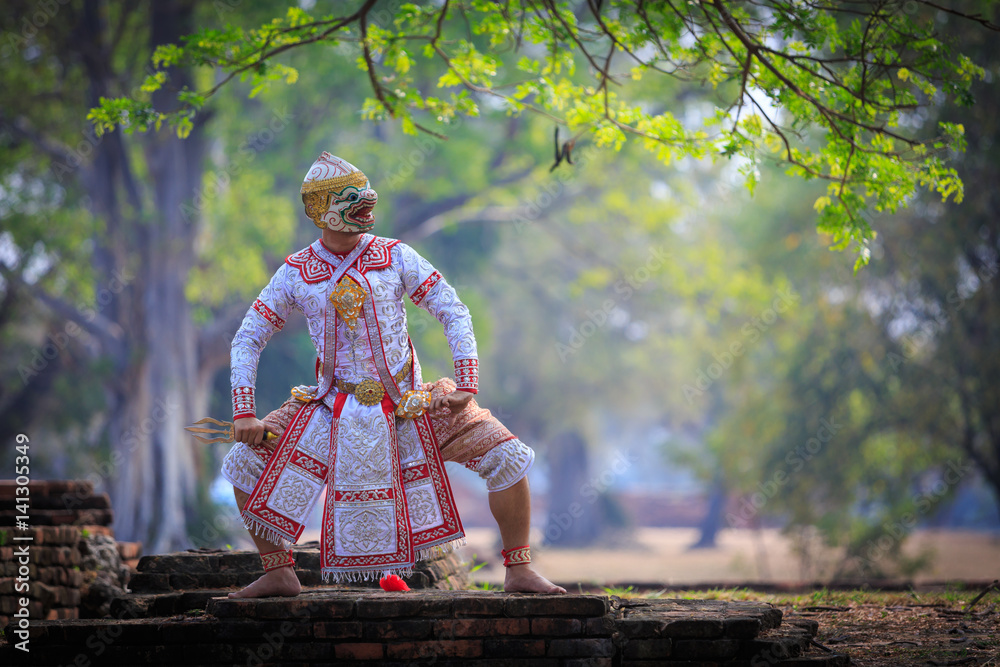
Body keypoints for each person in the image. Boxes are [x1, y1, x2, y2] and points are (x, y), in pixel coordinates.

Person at [220, 152, 565, 597]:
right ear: (319, 208)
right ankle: (278, 571)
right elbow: (247, 339)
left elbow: (453, 311)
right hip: (328, 408)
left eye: (367, 197)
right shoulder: (295, 273)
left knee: (509, 457)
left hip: (410, 405)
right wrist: (244, 413)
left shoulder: (395, 255)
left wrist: (466, 385)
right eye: (352, 198)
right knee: (241, 464)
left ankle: (518, 570)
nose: (366, 205)